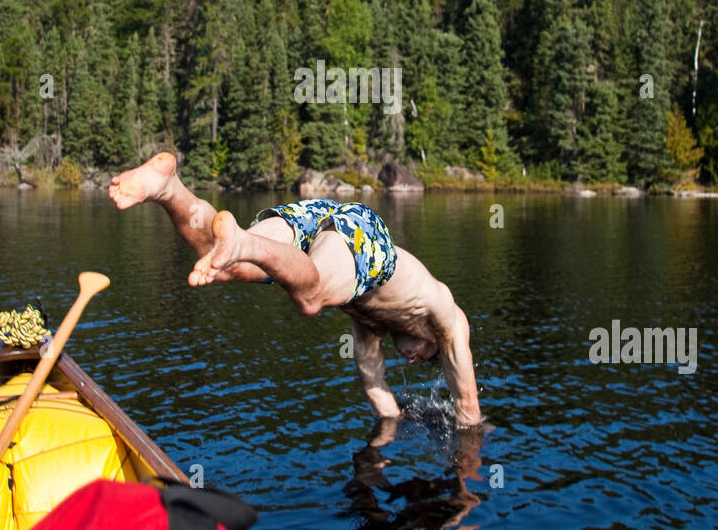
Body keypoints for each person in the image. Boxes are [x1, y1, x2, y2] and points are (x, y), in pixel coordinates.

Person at [110, 153, 483, 427]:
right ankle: (245, 244)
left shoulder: (369, 329)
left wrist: (392, 429)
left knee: (221, 262)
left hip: (322, 220)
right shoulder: (447, 318)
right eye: (426, 356)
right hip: (365, 234)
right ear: (436, 342)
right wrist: (466, 490)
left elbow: (376, 389)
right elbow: (468, 409)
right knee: (311, 297)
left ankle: (167, 186)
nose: (414, 360)